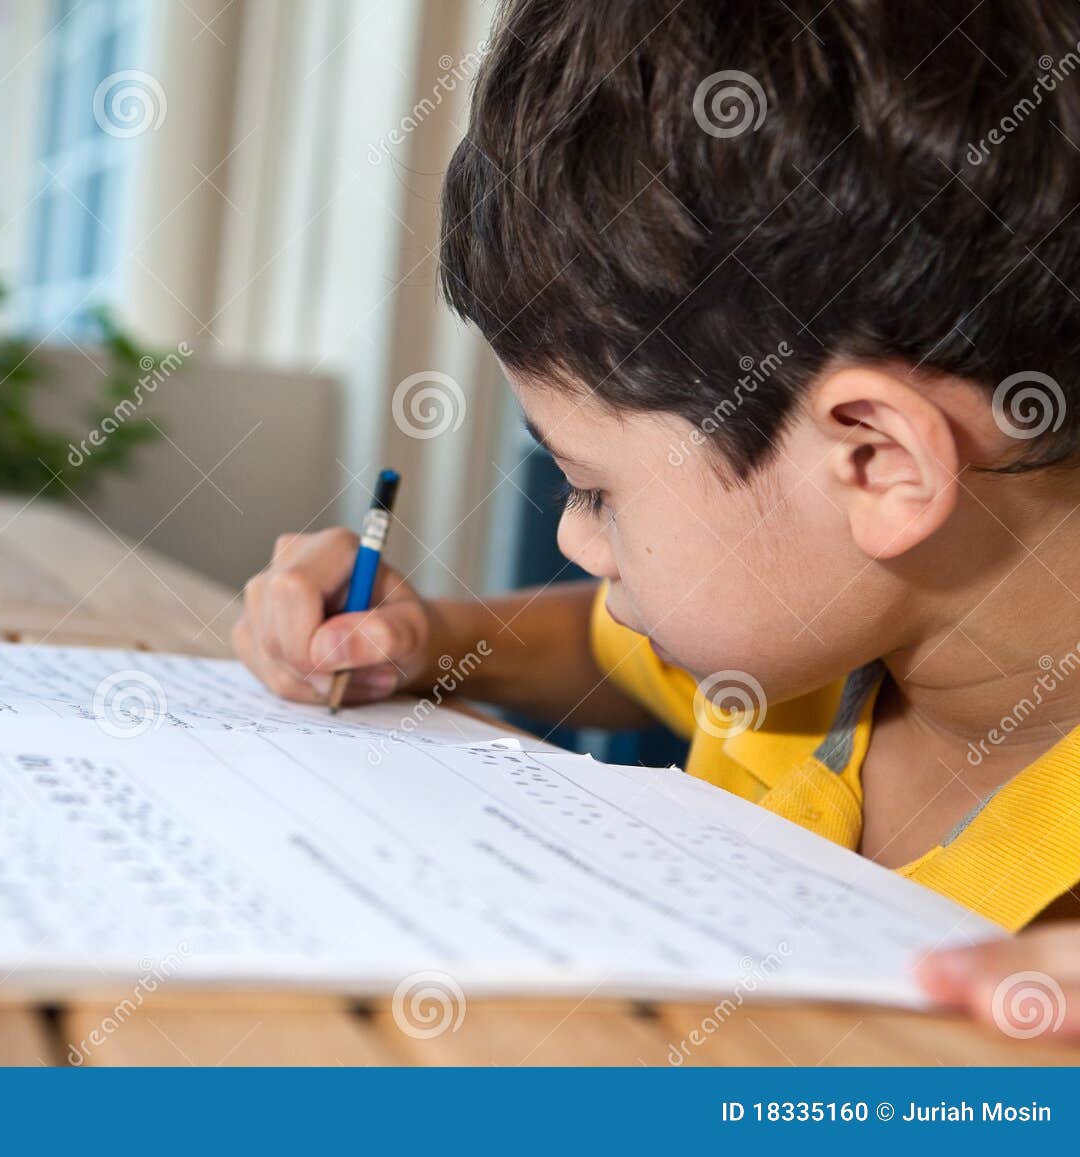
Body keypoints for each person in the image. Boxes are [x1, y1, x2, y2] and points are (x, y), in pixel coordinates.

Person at [233, 0, 1080, 1035]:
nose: (573, 539)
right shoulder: (820, 634)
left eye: (594, 490)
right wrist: (425, 642)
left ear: (875, 461)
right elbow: (610, 646)